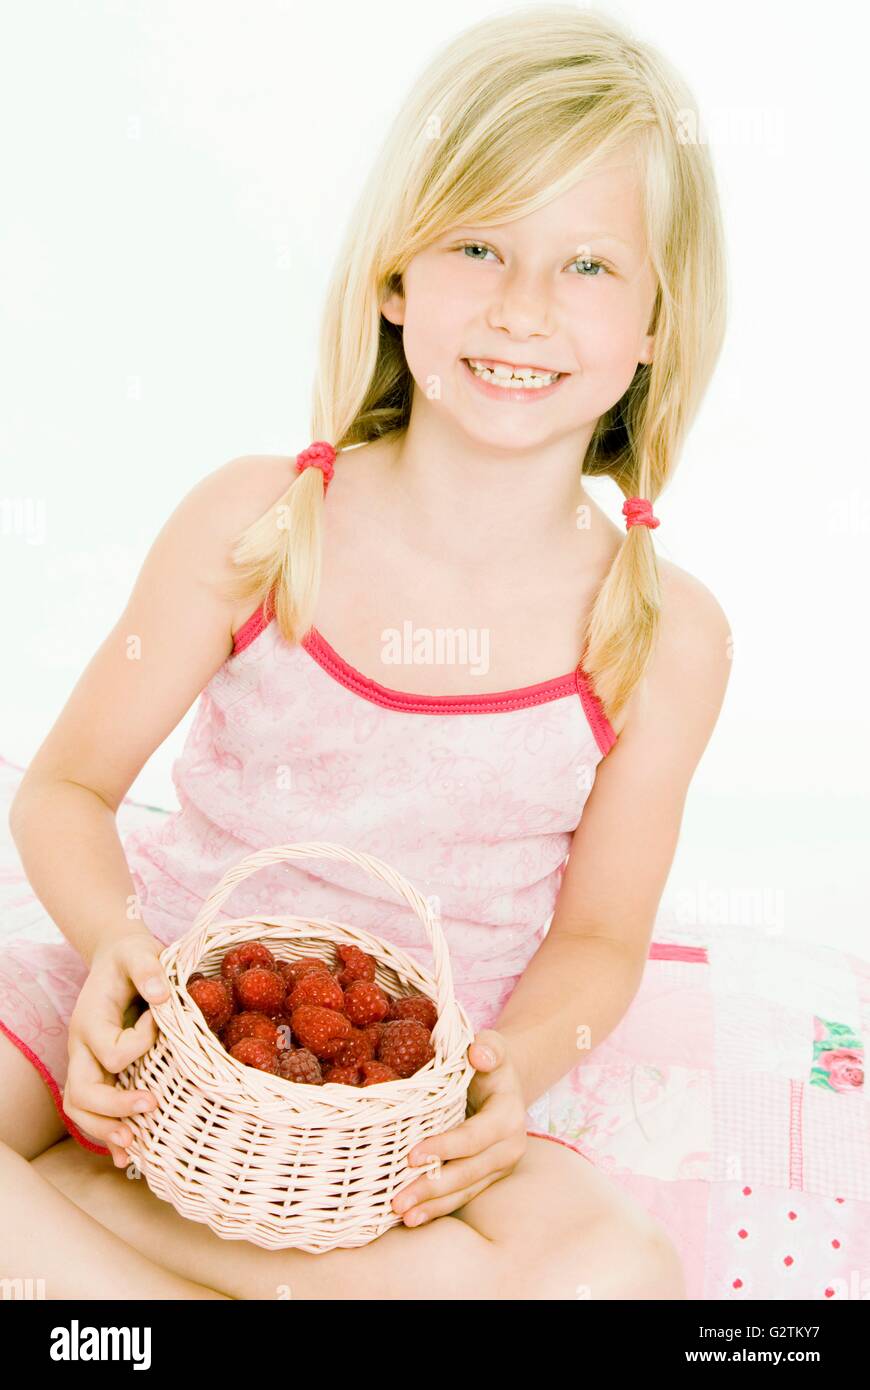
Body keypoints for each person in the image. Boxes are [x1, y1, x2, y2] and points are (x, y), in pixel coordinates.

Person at [0, 5, 732, 1299]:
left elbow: (601, 937)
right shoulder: (258, 522)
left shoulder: (665, 636)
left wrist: (512, 1065)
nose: (520, 309)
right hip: (161, 1002)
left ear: (659, 321)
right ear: (394, 277)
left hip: (409, 1103)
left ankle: (91, 1232)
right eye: (476, 245)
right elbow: (63, 789)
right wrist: (115, 948)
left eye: (587, 267)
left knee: (618, 1278)